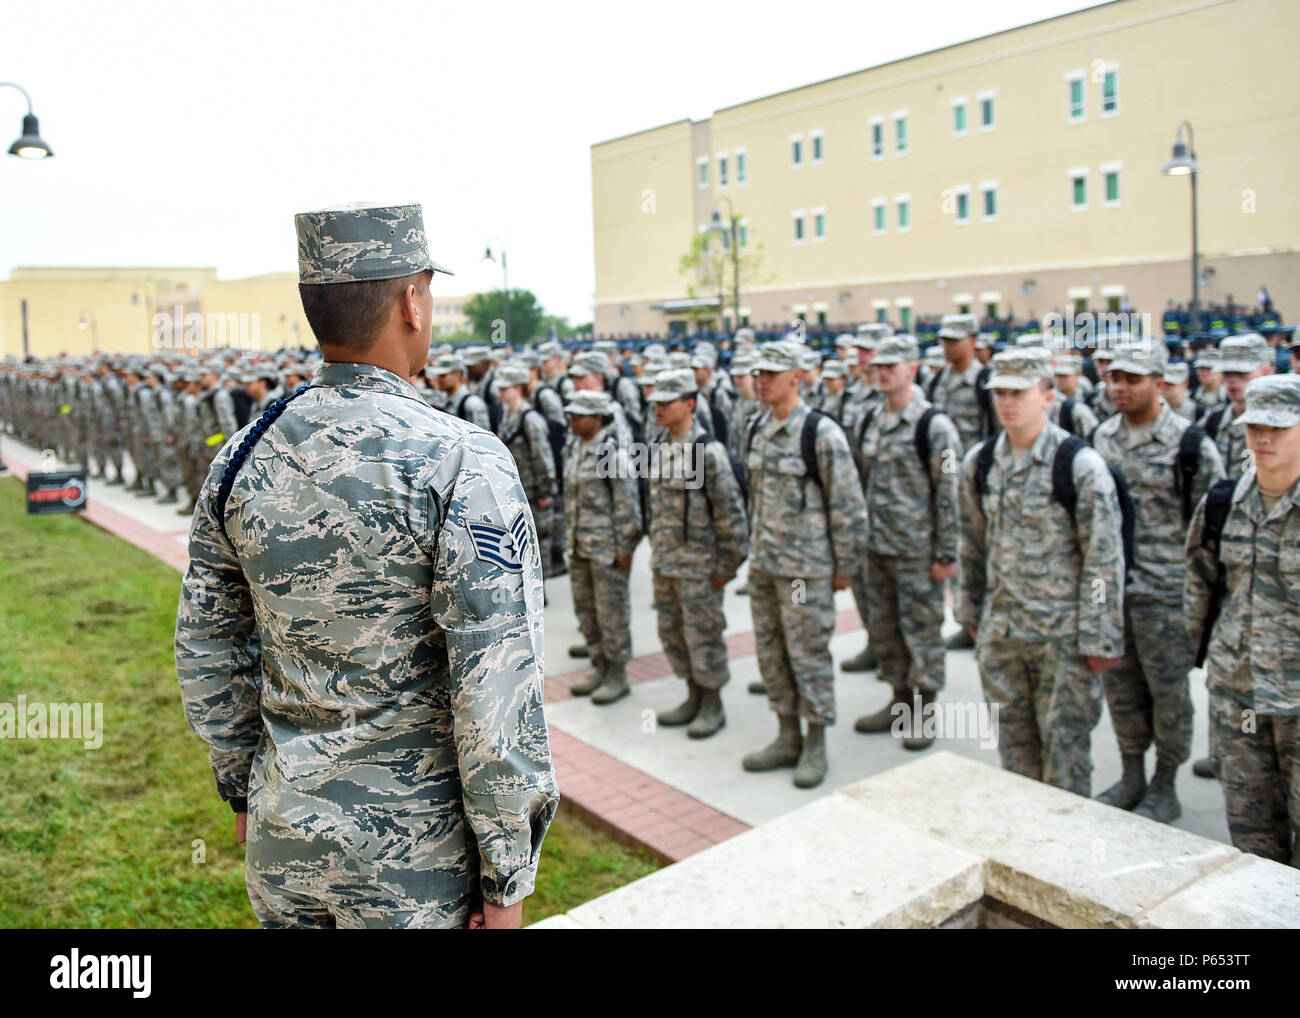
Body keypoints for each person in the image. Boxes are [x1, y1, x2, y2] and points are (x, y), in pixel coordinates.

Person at [175, 202, 557, 929]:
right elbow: (496, 692)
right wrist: (506, 876)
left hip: (289, 844)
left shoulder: (241, 458)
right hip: (416, 870)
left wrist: (241, 790)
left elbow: (208, 649)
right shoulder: (463, 462)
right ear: (411, 300)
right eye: (429, 291)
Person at [960, 348, 1124, 794]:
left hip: (1062, 641)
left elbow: (1103, 560)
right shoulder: (980, 463)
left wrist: (1101, 637)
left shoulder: (1079, 466)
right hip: (1003, 634)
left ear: (1048, 396)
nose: (1007, 402)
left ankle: (1067, 856)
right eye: (1000, 393)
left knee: (1065, 756)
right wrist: (971, 613)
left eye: (1019, 392)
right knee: (1015, 754)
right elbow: (972, 543)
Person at [1092, 340, 1225, 822]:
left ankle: (1165, 784)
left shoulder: (1190, 445)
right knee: (1121, 692)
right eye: (1115, 378)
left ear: (1158, 382)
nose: (1120, 387)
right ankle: (1131, 774)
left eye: (1133, 379)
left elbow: (1215, 530)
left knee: (1169, 696)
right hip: (1114, 594)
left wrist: (1209, 604)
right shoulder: (1101, 438)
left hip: (1168, 596)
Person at [1185, 375, 1300, 866]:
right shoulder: (1224, 502)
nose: (1264, 439)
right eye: (1255, 427)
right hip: (1239, 696)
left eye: (1278, 428)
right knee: (1252, 838)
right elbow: (1200, 582)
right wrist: (1196, 657)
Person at [742, 340, 867, 788]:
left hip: (806, 570)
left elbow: (848, 506)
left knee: (808, 656)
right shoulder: (757, 427)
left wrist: (844, 567)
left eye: (771, 373)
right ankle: (786, 734)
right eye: (758, 372)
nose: (761, 380)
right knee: (772, 655)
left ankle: (816, 742)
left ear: (797, 376)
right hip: (765, 566)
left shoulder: (820, 433)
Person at [852, 336, 961, 750]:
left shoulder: (934, 426)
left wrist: (946, 554)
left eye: (891, 366)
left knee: (922, 633)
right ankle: (899, 704)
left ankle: (923, 710)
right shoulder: (870, 421)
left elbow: (949, 493)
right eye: (877, 365)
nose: (882, 372)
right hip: (877, 548)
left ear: (912, 369)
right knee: (885, 630)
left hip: (917, 551)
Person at [645, 368, 748, 737]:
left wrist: (725, 568)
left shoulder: (708, 453)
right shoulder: (657, 448)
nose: (657, 408)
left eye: (665, 402)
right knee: (673, 634)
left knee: (703, 635)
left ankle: (712, 703)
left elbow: (732, 516)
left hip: (700, 569)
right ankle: (692, 694)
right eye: (655, 402)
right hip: (667, 565)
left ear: (689, 404)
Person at [562, 389, 643, 703]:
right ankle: (598, 665)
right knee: (587, 610)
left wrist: (625, 549)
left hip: (606, 550)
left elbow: (628, 507)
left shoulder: (611, 454)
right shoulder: (575, 448)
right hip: (580, 545)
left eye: (579, 416)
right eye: (571, 415)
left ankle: (617, 674)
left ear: (597, 418)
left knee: (611, 613)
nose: (572, 421)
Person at [494, 364, 557, 582]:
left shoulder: (531, 419)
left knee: (538, 542)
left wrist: (544, 492)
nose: (501, 392)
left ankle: (541, 587)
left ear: (519, 388)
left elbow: (543, 458)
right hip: (515, 491)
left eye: (506, 388)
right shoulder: (507, 415)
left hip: (533, 491)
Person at [1203, 334, 1275, 474]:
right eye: (1227, 373)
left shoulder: (1284, 426)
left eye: (1242, 373)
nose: (1232, 381)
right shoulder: (1213, 421)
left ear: (1267, 371)